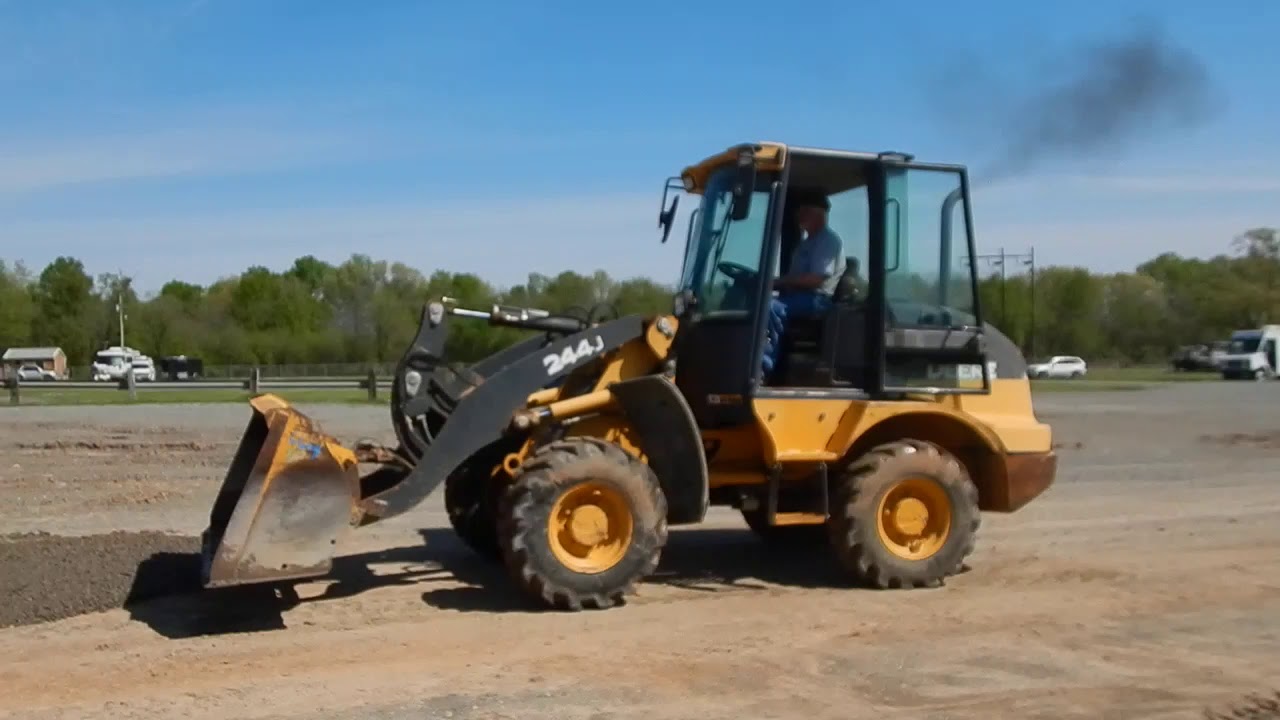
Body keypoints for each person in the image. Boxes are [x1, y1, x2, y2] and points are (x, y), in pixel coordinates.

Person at [761, 191, 844, 377]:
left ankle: (762, 368)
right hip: (799, 296)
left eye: (804, 211)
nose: (799, 216)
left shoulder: (827, 241)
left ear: (818, 214)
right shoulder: (806, 243)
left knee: (769, 308)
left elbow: (817, 278)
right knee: (757, 304)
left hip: (818, 299)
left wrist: (779, 282)